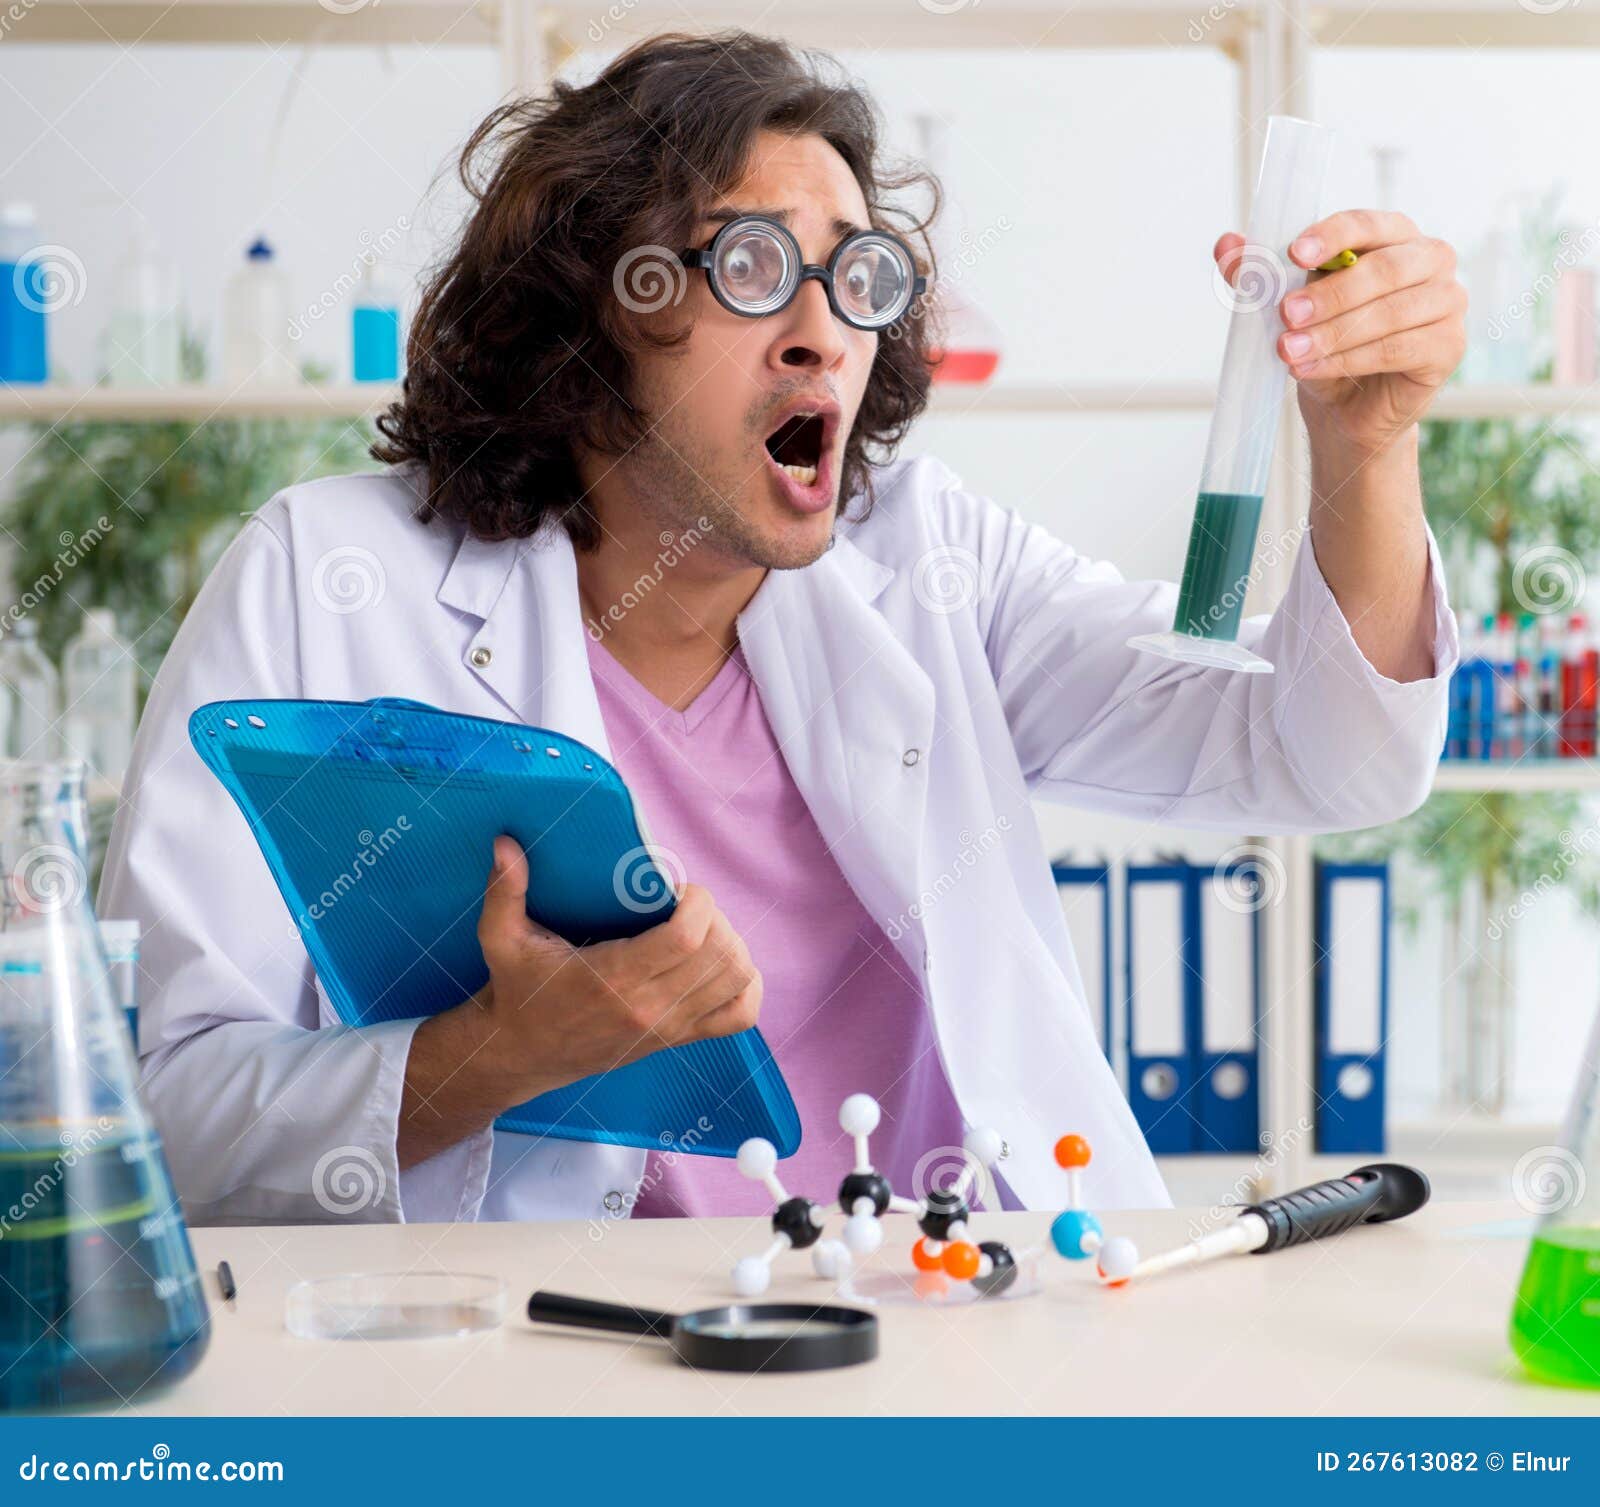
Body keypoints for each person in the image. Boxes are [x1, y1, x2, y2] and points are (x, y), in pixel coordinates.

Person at [101, 31, 1463, 1226]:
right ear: (587, 311)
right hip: (572, 1352)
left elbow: (1329, 758)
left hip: (961, 1316)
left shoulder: (933, 564)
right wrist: (494, 1056)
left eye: (859, 274)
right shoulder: (327, 579)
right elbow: (157, 1114)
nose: (823, 331)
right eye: (751, 264)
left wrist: (1368, 445)